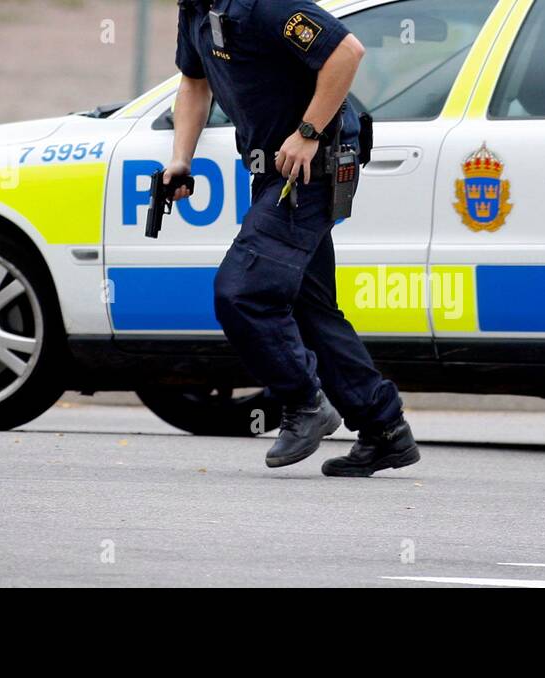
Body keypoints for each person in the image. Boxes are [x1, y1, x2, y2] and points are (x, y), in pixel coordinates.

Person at [163, 0, 419, 478]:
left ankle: (305, 404)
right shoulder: (196, 9)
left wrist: (307, 131)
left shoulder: (264, 3)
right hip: (273, 173)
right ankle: (385, 430)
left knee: (242, 292)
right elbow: (193, 84)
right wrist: (182, 158)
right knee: (310, 308)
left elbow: (346, 51)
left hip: (309, 170)